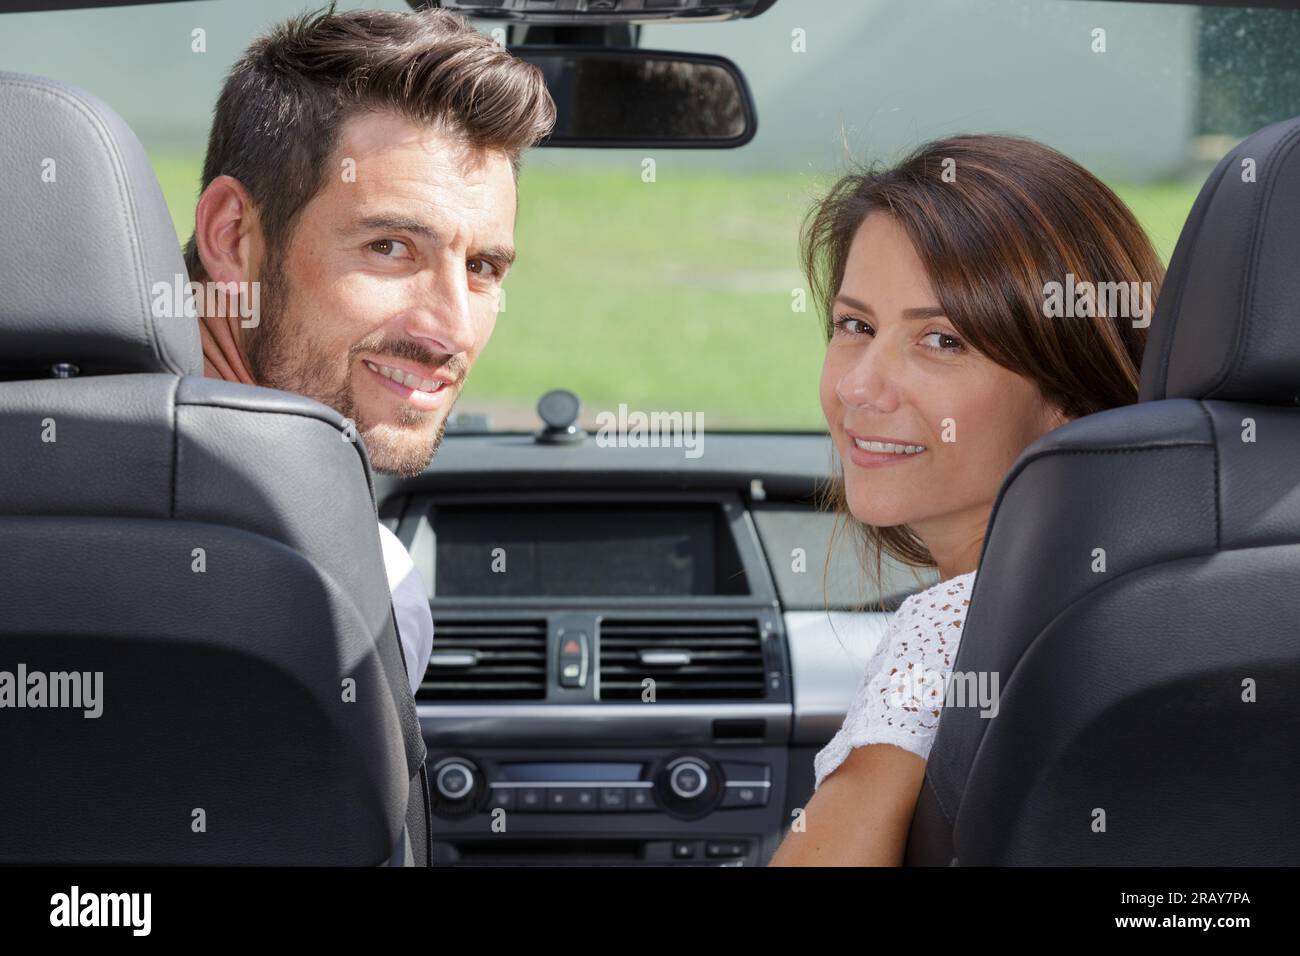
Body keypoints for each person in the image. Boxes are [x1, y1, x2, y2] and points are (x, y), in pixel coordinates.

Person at [769, 134, 1165, 865]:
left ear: (1068, 398)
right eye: (856, 326)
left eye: (943, 340)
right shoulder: (1171, 585)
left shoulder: (955, 628)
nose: (858, 387)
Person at [182, 4, 555, 693]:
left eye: (482, 269)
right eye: (389, 248)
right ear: (233, 236)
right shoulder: (362, 589)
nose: (449, 330)